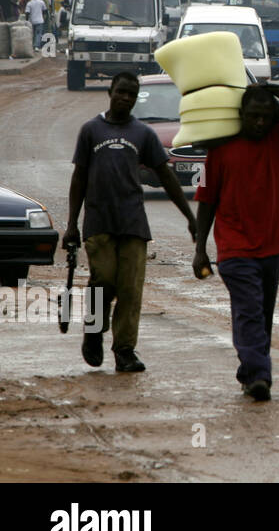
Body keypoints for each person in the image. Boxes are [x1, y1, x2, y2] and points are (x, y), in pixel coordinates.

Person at [64, 72, 197, 373]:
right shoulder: (91, 131)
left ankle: (124, 350)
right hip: (98, 222)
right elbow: (79, 178)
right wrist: (71, 224)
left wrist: (190, 217)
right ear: (110, 91)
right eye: (121, 92)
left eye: (131, 95)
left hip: (133, 223)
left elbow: (166, 176)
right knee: (104, 281)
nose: (125, 98)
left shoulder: (144, 134)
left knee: (130, 289)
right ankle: (94, 331)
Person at [193, 84, 279, 402]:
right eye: (253, 116)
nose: (260, 123)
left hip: (271, 245)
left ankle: (250, 370)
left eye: (265, 116)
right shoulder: (219, 150)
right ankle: (260, 375)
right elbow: (206, 200)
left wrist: (274, 89)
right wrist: (200, 249)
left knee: (261, 315)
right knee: (249, 311)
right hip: (233, 248)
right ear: (241, 115)